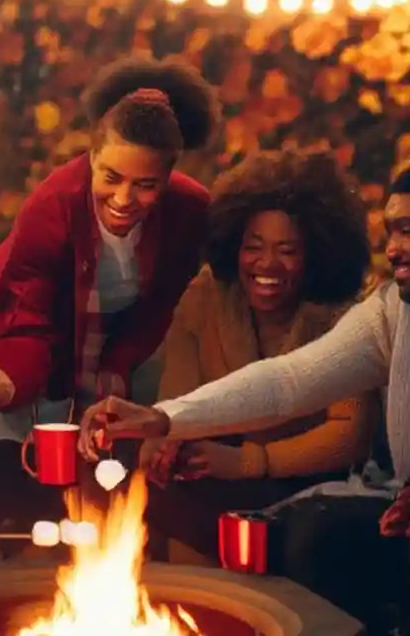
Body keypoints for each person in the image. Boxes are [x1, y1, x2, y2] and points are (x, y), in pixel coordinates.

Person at [78, 154, 410, 633]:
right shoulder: (393, 312)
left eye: (408, 231)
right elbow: (287, 380)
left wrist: (242, 461)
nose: (391, 249)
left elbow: (347, 432)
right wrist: (162, 420)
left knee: (314, 531)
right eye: (390, 232)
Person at [0, 56, 219, 528]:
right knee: (10, 480)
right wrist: (7, 379)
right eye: (111, 177)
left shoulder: (191, 210)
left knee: (112, 471)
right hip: (23, 340)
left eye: (145, 185)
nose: (123, 199)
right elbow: (29, 314)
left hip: (114, 344)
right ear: (92, 158)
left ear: (170, 177)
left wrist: (115, 367)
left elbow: (159, 308)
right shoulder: (53, 205)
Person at [141, 149, 375, 563]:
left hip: (307, 486)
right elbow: (177, 400)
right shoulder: (206, 296)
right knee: (153, 490)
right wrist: (165, 445)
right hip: (217, 473)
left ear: (316, 254)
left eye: (287, 250)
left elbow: (350, 434)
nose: (267, 264)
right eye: (254, 246)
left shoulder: (344, 316)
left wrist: (249, 461)